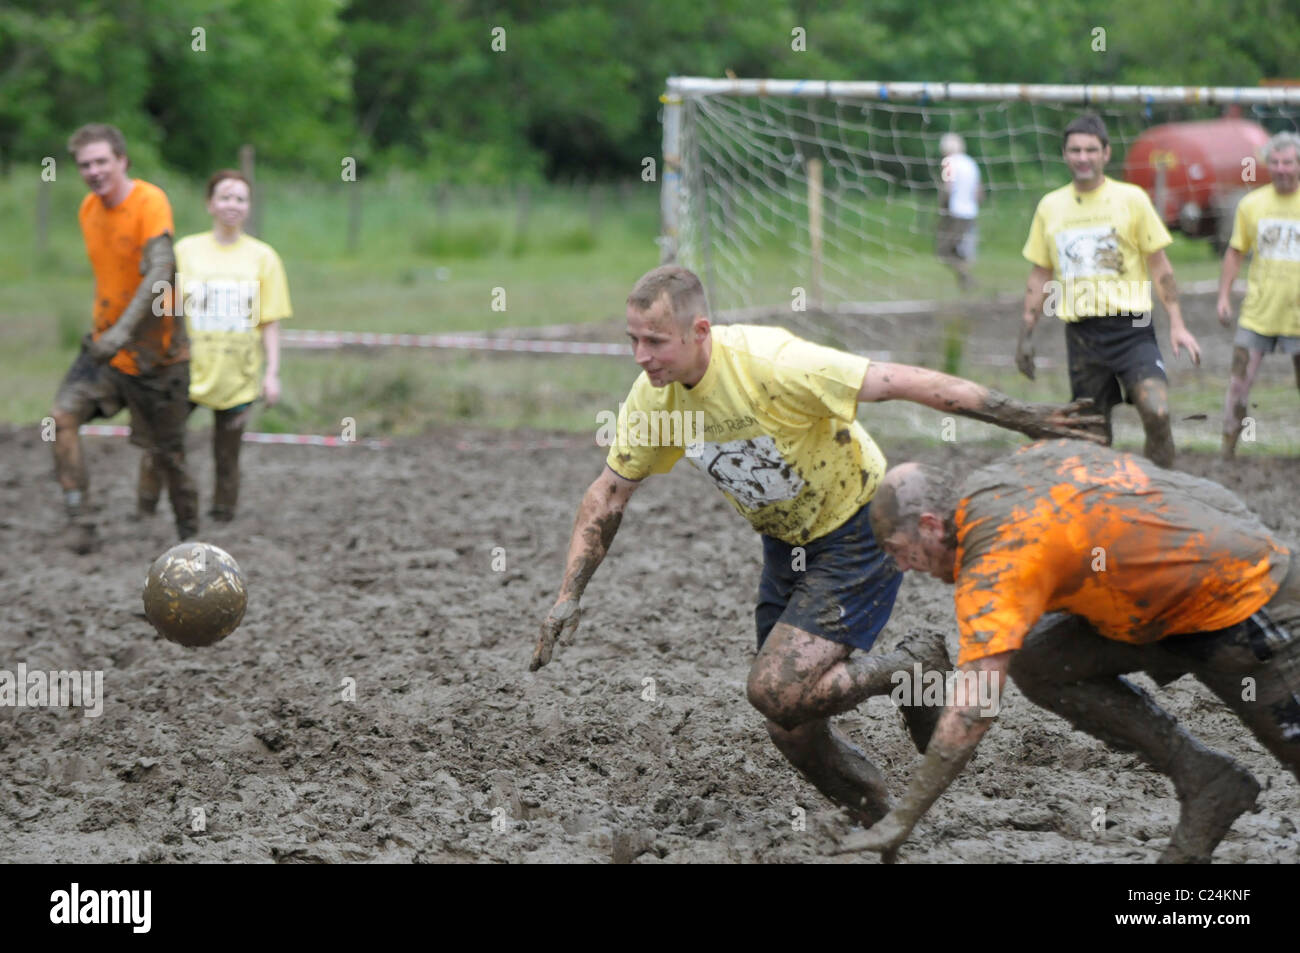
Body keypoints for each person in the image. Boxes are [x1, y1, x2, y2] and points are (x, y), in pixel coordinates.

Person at [529, 265, 1104, 825]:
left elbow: (899, 380)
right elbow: (607, 496)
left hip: (858, 527)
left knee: (775, 689)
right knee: (789, 723)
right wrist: (567, 596)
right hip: (785, 544)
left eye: (655, 341)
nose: (641, 356)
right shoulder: (653, 401)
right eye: (633, 340)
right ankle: (880, 821)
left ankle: (913, 664)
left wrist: (1027, 417)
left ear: (699, 331)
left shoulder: (772, 364)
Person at [841, 440, 1299, 863]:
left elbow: (973, 709)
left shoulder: (997, 559)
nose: (903, 567)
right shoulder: (997, 481)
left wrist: (902, 820)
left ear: (929, 525)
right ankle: (1203, 776)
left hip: (1250, 606)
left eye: (900, 552)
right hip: (1159, 604)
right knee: (1041, 655)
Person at [1016, 114, 1202, 469]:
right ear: (1065, 155)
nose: (1082, 157)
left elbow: (1160, 265)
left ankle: (1161, 493)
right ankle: (1103, 506)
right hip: (1083, 336)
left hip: (1132, 327)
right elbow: (1040, 273)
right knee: (1091, 438)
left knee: (1156, 409)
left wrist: (1177, 322)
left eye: (1090, 150)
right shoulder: (1050, 207)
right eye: (1075, 150)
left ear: (1105, 153)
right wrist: (1026, 331)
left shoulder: (1131, 199)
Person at [50, 124, 196, 553]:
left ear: (122, 162)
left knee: (168, 455)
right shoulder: (87, 210)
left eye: (101, 162)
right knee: (61, 419)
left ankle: (191, 535)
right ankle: (81, 518)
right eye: (85, 165)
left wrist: (121, 333)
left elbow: (160, 271)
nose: (94, 172)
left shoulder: (150, 202)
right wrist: (107, 336)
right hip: (105, 352)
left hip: (157, 356)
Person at [138, 170, 292, 522]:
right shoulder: (186, 251)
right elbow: (163, 310)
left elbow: (269, 321)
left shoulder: (263, 257)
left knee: (228, 452)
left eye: (240, 198)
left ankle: (223, 515)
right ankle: (145, 507)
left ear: (249, 207)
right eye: (225, 197)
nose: (232, 205)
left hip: (238, 373)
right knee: (162, 442)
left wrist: (272, 374)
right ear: (210, 204)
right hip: (185, 368)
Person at [1217, 131, 1300, 460]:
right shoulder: (1252, 205)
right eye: (1275, 162)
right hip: (1258, 313)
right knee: (1238, 384)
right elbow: (1235, 252)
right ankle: (1226, 453)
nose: (1282, 169)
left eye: (1289, 162)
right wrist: (1223, 296)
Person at [936, 133, 982, 290]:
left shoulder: (949, 163)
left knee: (944, 251)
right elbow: (979, 192)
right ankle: (965, 278)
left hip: (956, 212)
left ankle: (966, 276)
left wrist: (942, 208)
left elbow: (947, 187)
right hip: (971, 212)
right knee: (959, 248)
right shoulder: (971, 163)